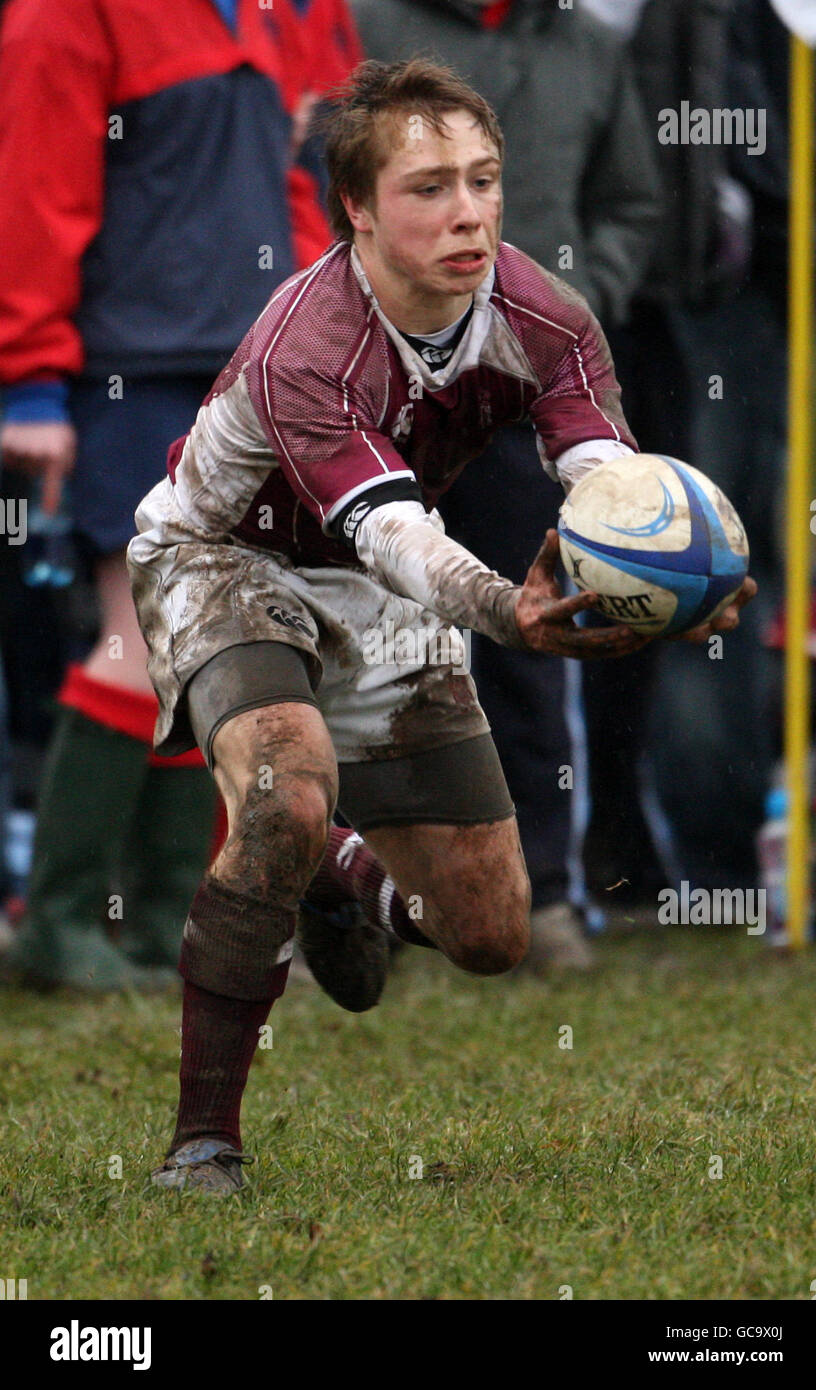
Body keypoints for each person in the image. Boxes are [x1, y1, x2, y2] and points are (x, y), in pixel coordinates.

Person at [127, 57, 754, 1194]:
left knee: (488, 932)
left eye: (482, 179)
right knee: (286, 784)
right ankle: (202, 1142)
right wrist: (508, 612)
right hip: (226, 561)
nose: (466, 211)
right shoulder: (304, 343)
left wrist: (682, 572)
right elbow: (394, 532)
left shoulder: (542, 317)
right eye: (427, 188)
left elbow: (600, 474)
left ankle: (338, 877)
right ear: (356, 210)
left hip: (384, 585)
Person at [0, 0, 360, 990]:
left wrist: (314, 335)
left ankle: (165, 920)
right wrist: (29, 376)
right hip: (128, 370)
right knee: (138, 638)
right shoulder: (67, 11)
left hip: (242, 374)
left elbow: (295, 184)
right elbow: (33, 187)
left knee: (203, 652)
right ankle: (60, 923)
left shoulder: (286, 11)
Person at [350, 0, 663, 967]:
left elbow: (631, 203)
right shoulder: (362, 26)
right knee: (381, 643)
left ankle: (551, 896)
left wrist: (575, 304)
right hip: (382, 392)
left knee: (535, 642)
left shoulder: (590, 50)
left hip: (526, 409)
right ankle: (376, 902)